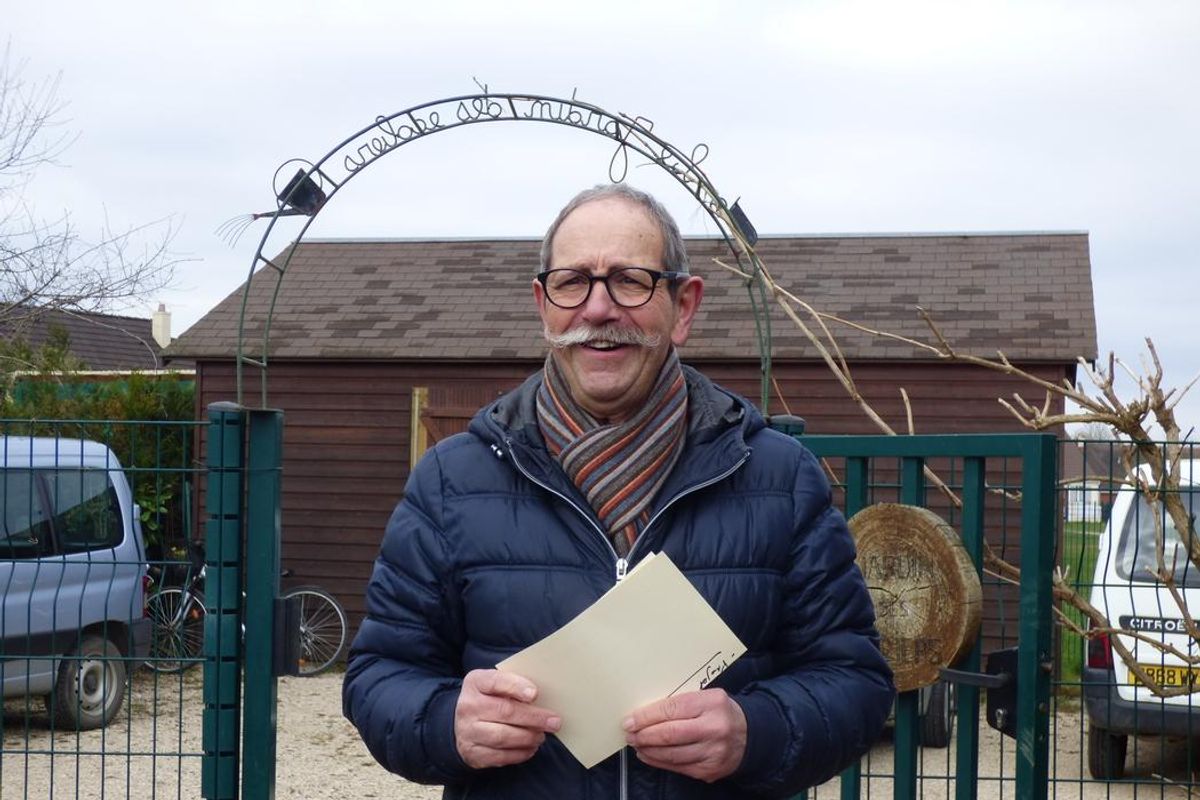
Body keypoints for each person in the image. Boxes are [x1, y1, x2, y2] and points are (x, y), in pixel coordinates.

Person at [343, 183, 895, 799]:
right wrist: (447, 724)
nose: (598, 309)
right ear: (542, 303)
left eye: (629, 280)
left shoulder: (780, 478)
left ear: (683, 307)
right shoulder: (452, 480)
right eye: (572, 281)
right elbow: (379, 676)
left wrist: (753, 730)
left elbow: (854, 682)